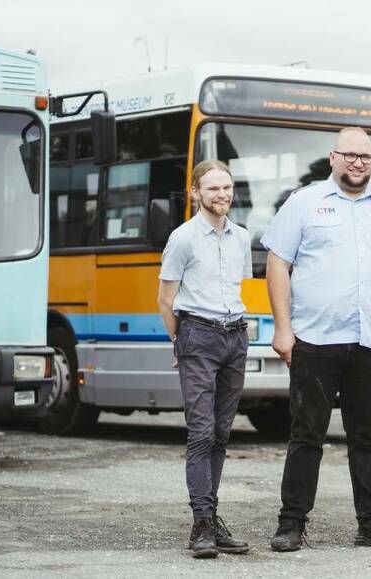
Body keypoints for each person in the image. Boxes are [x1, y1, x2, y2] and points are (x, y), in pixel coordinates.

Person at [262, 127, 371, 552]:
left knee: (366, 437)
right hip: (315, 339)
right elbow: (277, 264)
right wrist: (283, 328)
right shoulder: (304, 202)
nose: (357, 163)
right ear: (333, 157)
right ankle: (291, 523)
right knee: (306, 434)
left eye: (365, 157)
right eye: (349, 155)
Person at [157, 159, 252, 559]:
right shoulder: (182, 238)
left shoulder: (242, 237)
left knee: (221, 433)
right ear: (195, 192)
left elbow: (236, 287)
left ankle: (211, 518)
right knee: (201, 432)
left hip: (236, 336)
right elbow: (166, 299)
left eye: (227, 187)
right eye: (213, 188)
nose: (222, 195)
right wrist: (180, 342)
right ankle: (201, 525)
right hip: (197, 334)